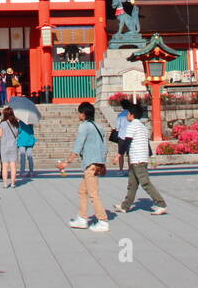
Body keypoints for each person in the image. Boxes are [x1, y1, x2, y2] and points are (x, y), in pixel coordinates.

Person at [59, 101, 110, 232]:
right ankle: (82, 218)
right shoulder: (99, 127)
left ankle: (103, 220)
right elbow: (105, 146)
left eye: (80, 113)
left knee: (93, 193)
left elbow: (78, 146)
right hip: (96, 163)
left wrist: (66, 162)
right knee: (83, 191)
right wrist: (102, 162)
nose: (78, 115)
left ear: (84, 114)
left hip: (90, 164)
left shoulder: (84, 127)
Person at [113, 103, 168, 216]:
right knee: (132, 184)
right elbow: (147, 144)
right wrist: (152, 158)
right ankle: (125, 206)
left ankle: (161, 204)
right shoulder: (143, 127)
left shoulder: (132, 126)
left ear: (132, 115)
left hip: (137, 159)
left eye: (128, 114)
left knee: (145, 183)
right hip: (140, 158)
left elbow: (126, 142)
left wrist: (119, 154)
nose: (127, 115)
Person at [0, 107, 20, 187]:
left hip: (4, 146)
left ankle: (5, 183)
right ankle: (13, 183)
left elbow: (0, 135)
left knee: (5, 165)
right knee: (13, 165)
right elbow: (17, 134)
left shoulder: (2, 124)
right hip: (13, 145)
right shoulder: (16, 123)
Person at [114, 99, 133, 171]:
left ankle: (121, 170)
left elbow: (117, 127)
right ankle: (130, 169)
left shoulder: (120, 115)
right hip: (129, 136)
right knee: (129, 154)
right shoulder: (131, 115)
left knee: (121, 154)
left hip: (121, 136)